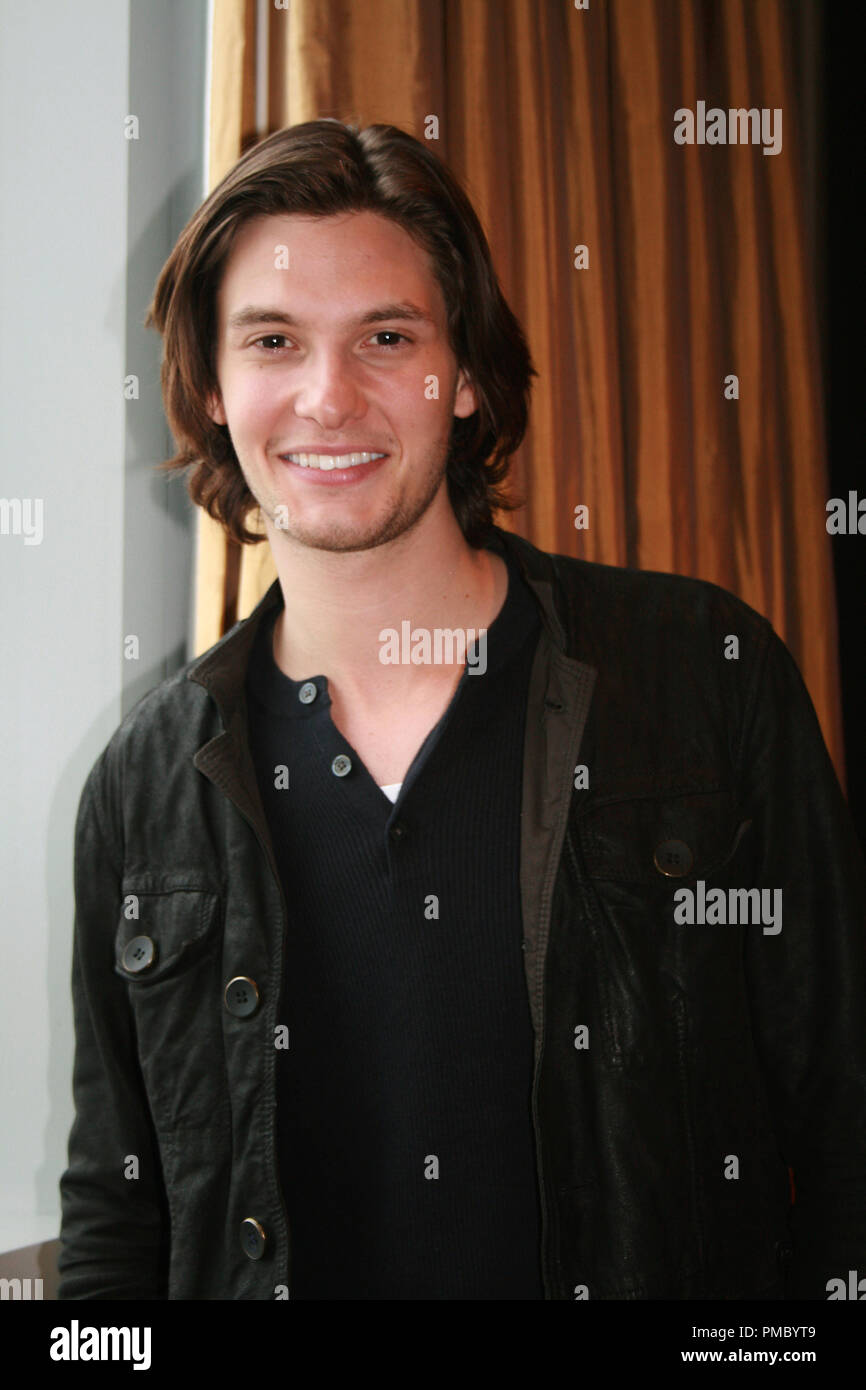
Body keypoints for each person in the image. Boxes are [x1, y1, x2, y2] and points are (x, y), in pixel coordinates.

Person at [58, 119, 866, 1301]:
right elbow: (114, 1220)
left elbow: (844, 1129)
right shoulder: (142, 789)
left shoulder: (704, 674)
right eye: (273, 341)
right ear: (215, 389)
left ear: (468, 373)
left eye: (386, 336)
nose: (328, 396)